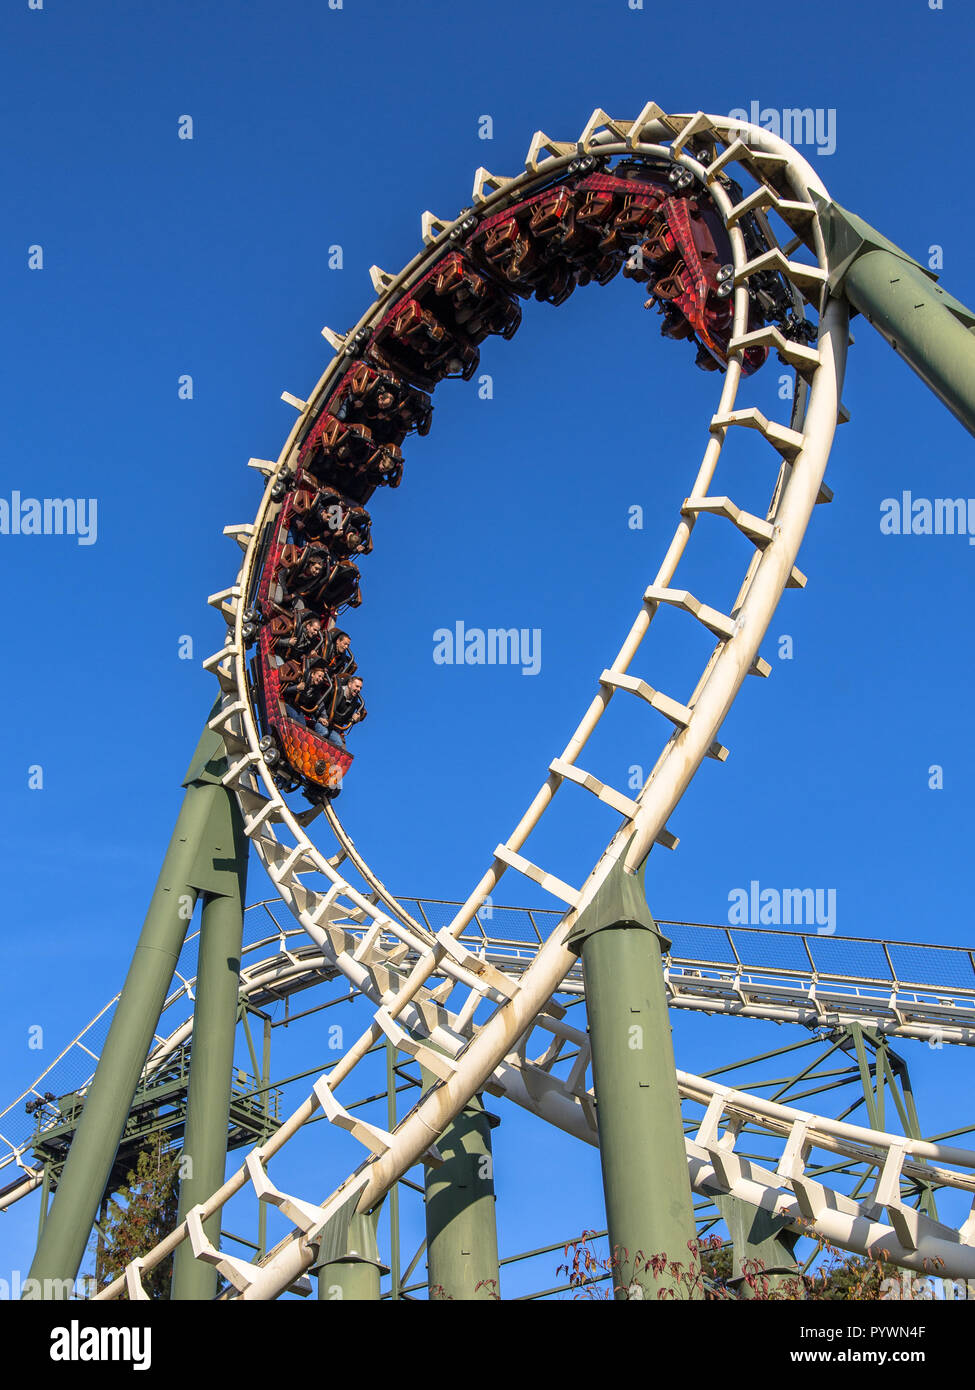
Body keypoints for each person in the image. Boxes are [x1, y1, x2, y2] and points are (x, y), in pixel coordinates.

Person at [281, 661, 333, 736]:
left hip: (298, 708)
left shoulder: (316, 689)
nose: (321, 679)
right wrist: (296, 687)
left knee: (305, 725)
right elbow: (285, 689)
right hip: (288, 703)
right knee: (301, 724)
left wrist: (323, 717)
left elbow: (320, 703)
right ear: (312, 674)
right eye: (319, 676)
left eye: (322, 677)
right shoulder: (301, 678)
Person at [324, 673, 366, 750]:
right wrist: (321, 717)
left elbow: (344, 721)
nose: (359, 690)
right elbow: (323, 703)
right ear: (349, 684)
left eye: (360, 688)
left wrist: (353, 720)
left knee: (340, 746)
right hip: (323, 720)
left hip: (334, 728)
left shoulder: (354, 703)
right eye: (357, 686)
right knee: (323, 732)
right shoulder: (336, 691)